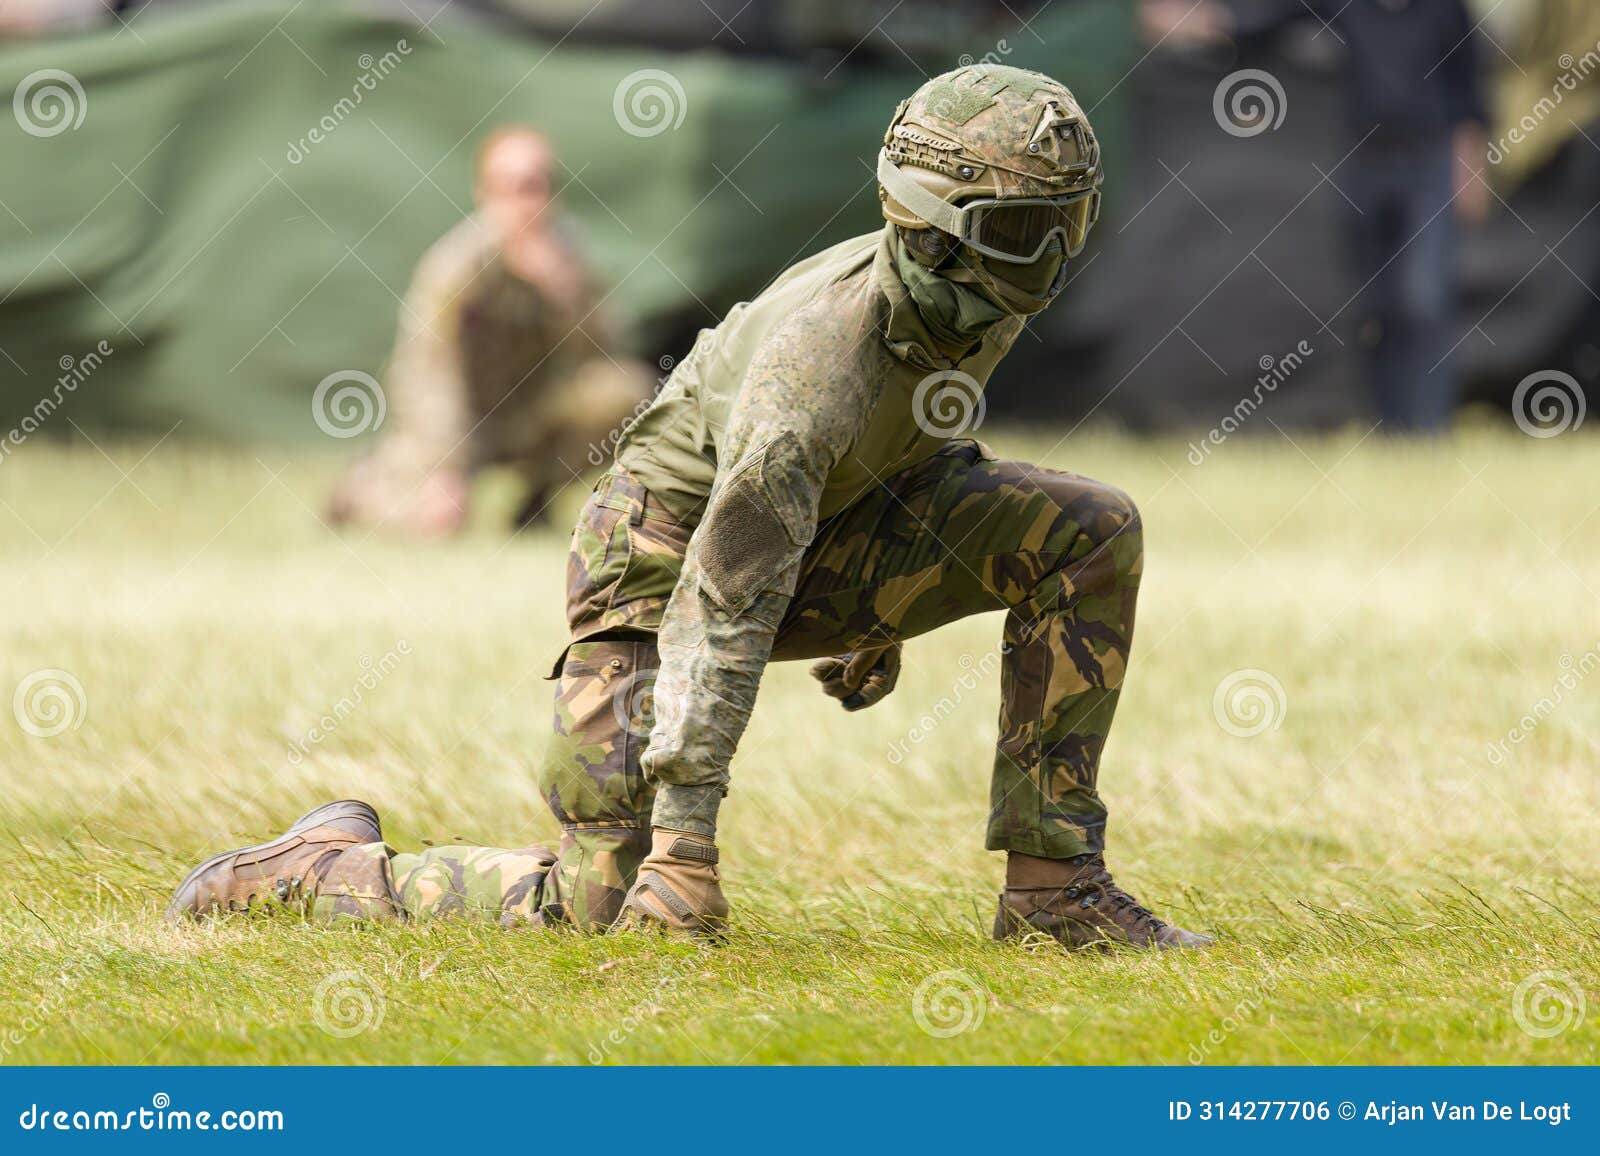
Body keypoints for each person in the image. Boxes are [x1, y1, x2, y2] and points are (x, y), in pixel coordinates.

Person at [173, 66, 1213, 951]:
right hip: (656, 567)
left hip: (805, 532)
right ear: (933, 229)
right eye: (1029, 229)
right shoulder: (816, 367)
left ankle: (1053, 891)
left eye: (1069, 222)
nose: (1054, 252)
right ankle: (326, 868)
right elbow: (724, 601)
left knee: (1090, 533)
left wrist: (887, 598)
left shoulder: (975, 290)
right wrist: (684, 849)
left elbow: (909, 428)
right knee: (601, 901)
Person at [1144, 0, 1489, 432]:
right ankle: (1390, 426)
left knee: (1424, 297)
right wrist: (1200, 23)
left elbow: (1468, 92)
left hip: (1429, 163)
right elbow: (1271, 18)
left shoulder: (1444, 8)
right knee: (1373, 303)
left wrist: (1471, 170)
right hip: (1366, 162)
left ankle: (1428, 425)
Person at [327, 126, 653, 535]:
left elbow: (603, 358)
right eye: (510, 189)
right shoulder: (455, 267)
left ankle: (537, 500)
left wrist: (565, 299)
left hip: (529, 415)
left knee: (625, 392)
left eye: (536, 186)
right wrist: (445, 469)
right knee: (437, 520)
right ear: (484, 194)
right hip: (459, 420)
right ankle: (364, 491)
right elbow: (427, 373)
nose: (525, 203)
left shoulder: (569, 258)